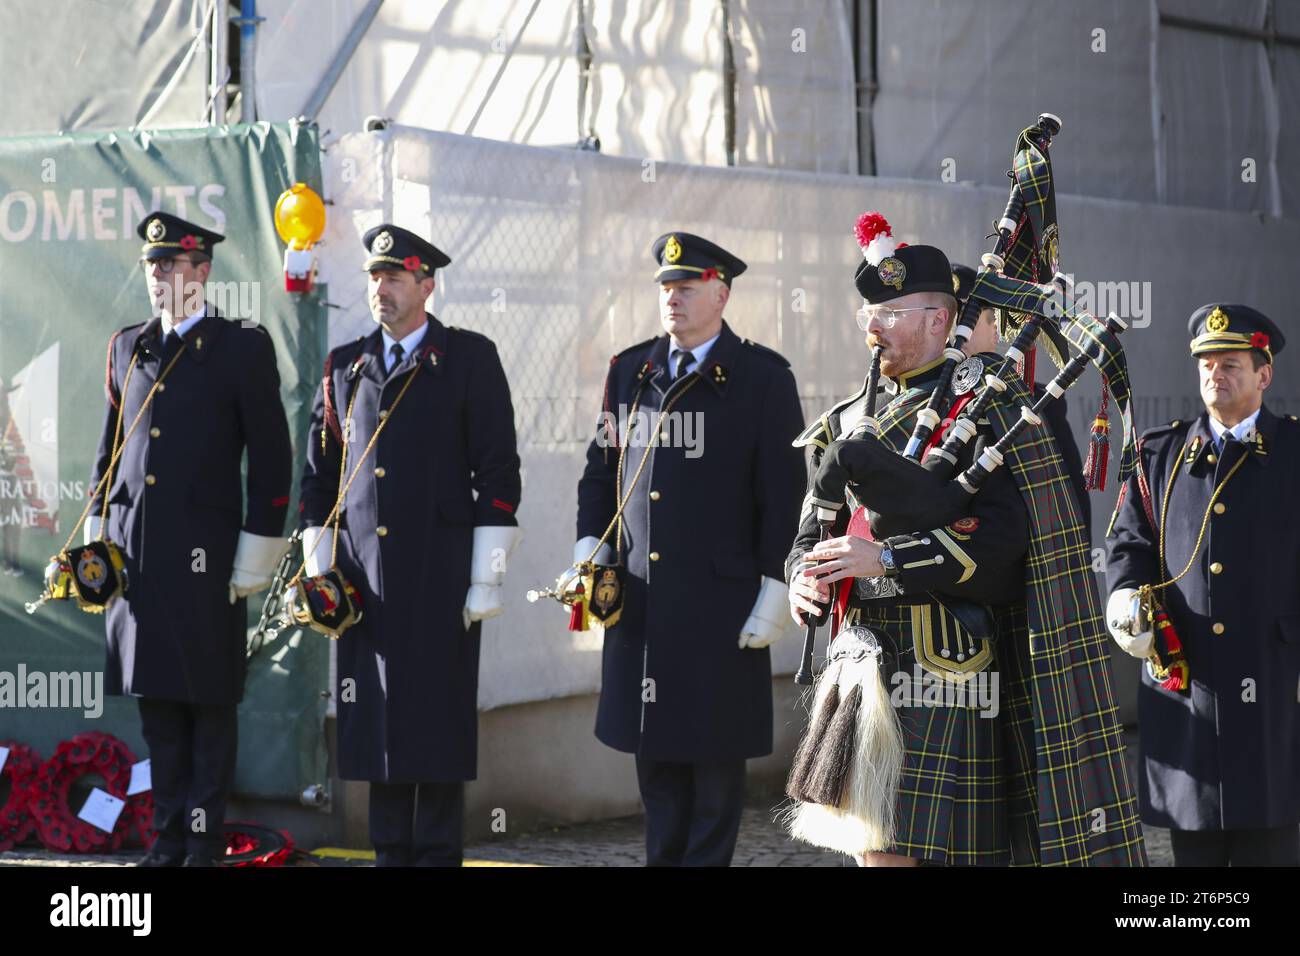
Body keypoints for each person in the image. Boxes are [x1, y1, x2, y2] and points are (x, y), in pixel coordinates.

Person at [785, 213, 1144, 866]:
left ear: (937, 321)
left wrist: (886, 559)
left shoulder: (997, 408)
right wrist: (802, 580)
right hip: (862, 665)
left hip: (948, 667)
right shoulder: (843, 420)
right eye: (870, 309)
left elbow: (1005, 541)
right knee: (876, 855)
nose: (874, 325)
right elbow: (813, 528)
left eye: (892, 311)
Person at [573, 232, 806, 866]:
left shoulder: (762, 379)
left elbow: (785, 498)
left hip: (720, 608)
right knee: (658, 772)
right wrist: (591, 553)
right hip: (644, 608)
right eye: (666, 288)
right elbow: (602, 473)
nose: (672, 297)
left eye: (687, 286)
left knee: (713, 774)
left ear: (721, 293)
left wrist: (775, 592)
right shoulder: (631, 371)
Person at [299, 224, 522, 867]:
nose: (381, 289)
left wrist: (486, 577)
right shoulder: (346, 366)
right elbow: (320, 476)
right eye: (374, 277)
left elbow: (499, 475)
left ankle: (436, 857)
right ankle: (391, 856)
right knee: (376, 735)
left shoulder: (469, 359)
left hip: (441, 579)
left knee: (437, 732)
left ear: (427, 285)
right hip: (361, 585)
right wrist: (321, 568)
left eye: (395, 277)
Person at [87, 211, 292, 866]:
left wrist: (256, 553)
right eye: (152, 265)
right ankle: (166, 838)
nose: (160, 276)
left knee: (208, 709)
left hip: (207, 565)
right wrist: (95, 533)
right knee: (159, 713)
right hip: (137, 560)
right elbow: (111, 451)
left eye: (173, 264)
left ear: (202, 273)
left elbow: (272, 461)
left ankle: (202, 843)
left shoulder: (240, 348)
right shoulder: (128, 346)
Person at [1106, 303, 1299, 866]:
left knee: (1271, 841)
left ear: (1264, 375)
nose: (1217, 373)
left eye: (1232, 363)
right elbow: (1129, 546)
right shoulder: (1159, 454)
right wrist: (1124, 599)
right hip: (1186, 683)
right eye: (1208, 363)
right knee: (1193, 857)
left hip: (1274, 680)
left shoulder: (1293, 453)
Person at [953, 263, 1089, 528]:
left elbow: (1068, 505)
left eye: (993, 320)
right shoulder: (915, 396)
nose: (996, 330)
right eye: (989, 320)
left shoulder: (1035, 402)